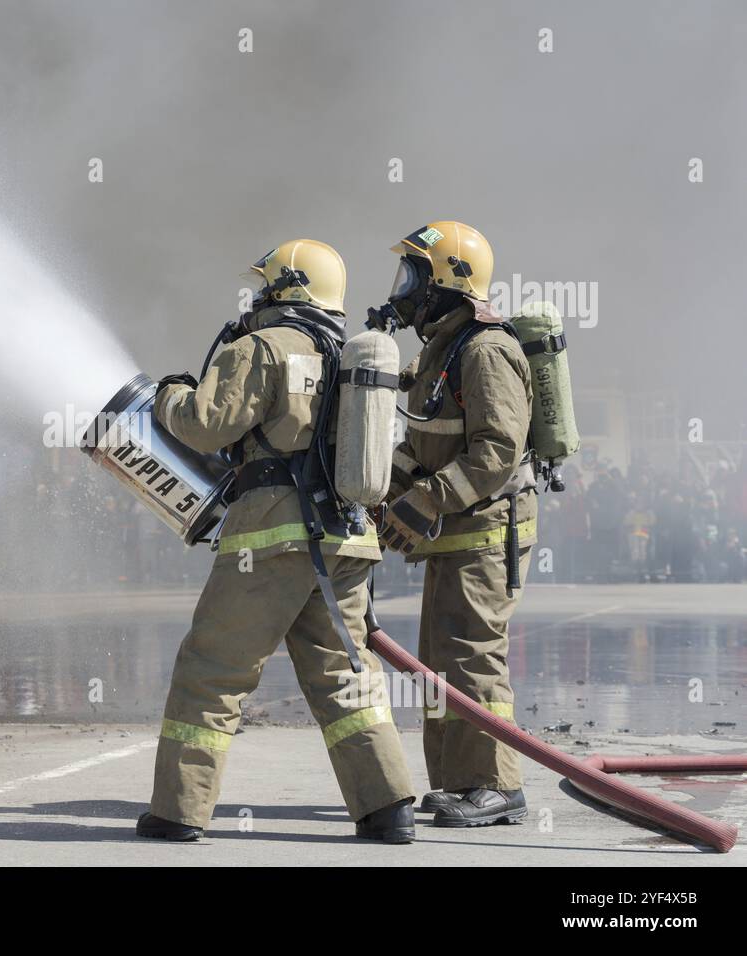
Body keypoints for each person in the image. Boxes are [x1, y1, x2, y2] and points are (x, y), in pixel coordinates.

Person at [136, 239, 416, 843]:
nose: (258, 295)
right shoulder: (351, 355)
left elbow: (206, 426)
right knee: (345, 673)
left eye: (267, 284)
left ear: (288, 286)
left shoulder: (262, 347)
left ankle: (178, 811)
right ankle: (388, 806)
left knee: (213, 667)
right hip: (345, 540)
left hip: (270, 539)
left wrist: (169, 395)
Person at [377, 221, 534, 827]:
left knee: (473, 657)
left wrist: (428, 500)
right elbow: (425, 445)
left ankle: (497, 786)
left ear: (449, 279)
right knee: (440, 661)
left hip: (488, 532)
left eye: (415, 274)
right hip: (453, 533)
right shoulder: (442, 352)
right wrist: (382, 490)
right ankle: (458, 783)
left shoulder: (486, 349)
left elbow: (496, 451)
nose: (405, 288)